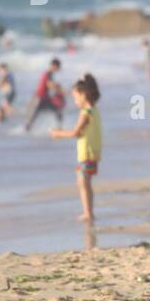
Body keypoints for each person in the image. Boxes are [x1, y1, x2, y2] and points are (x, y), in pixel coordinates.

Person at [50, 74, 102, 222]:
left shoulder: (85, 113)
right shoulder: (94, 110)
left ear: (83, 95)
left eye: (75, 97)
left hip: (86, 154)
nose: (74, 101)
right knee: (86, 183)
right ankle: (89, 211)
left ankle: (88, 212)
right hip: (94, 153)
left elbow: (75, 132)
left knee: (83, 183)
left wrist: (57, 133)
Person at [23, 58, 64, 131]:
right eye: (58, 67)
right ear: (54, 66)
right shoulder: (48, 74)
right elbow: (49, 85)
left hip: (42, 98)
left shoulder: (48, 74)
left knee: (56, 109)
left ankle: (59, 127)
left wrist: (58, 88)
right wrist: (60, 90)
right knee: (32, 117)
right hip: (39, 98)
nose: (58, 69)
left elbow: (50, 85)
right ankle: (59, 127)